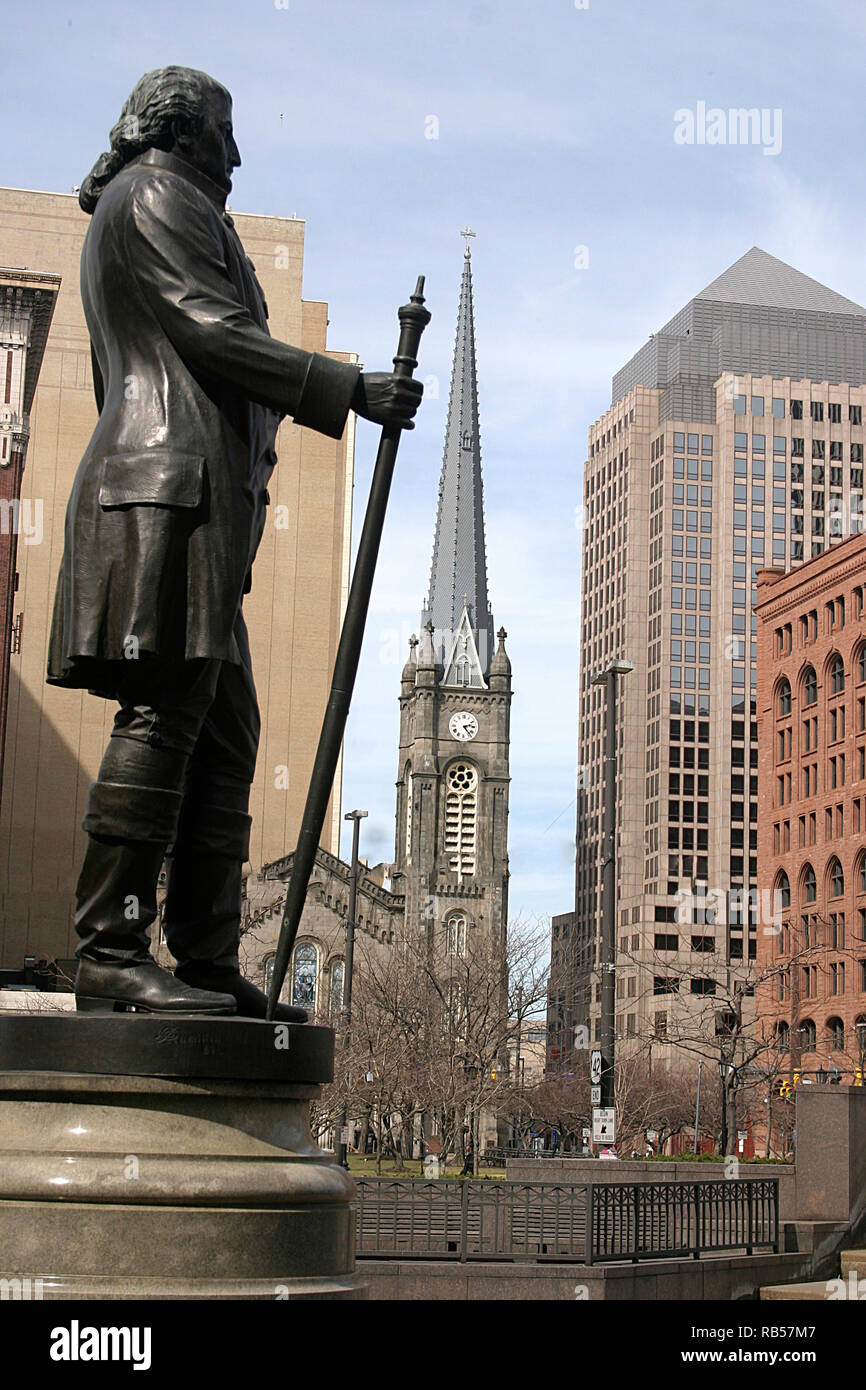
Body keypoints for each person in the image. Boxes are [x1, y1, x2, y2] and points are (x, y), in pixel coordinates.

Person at [47, 67, 422, 1018]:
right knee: (167, 713)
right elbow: (209, 332)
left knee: (223, 730)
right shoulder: (155, 196)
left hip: (199, 507)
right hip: (164, 494)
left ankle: (207, 960)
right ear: (179, 129)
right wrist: (350, 390)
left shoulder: (174, 202)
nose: (239, 154)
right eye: (226, 132)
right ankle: (110, 949)